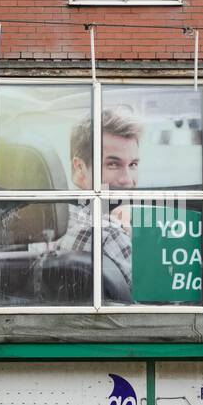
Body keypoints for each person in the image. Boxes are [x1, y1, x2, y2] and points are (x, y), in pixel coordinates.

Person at [54, 107, 143, 300]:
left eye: (133, 164)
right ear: (80, 168)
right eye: (113, 164)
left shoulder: (63, 219)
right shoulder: (108, 233)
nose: (127, 179)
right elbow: (162, 304)